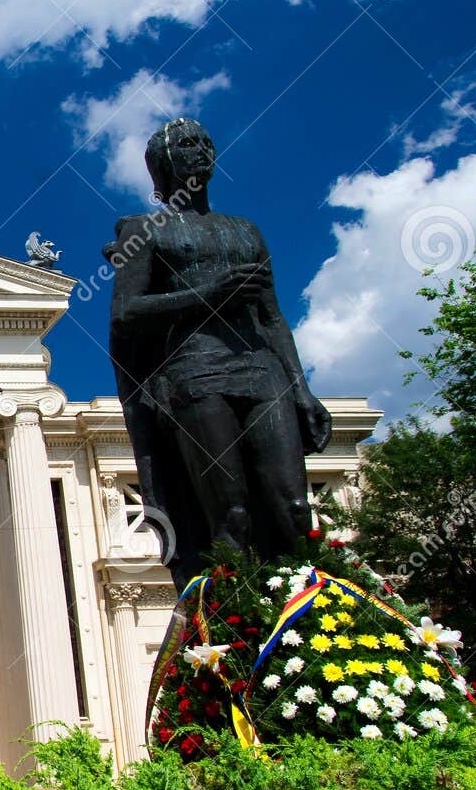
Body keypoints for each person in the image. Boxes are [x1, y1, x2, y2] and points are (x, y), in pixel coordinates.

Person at [106, 118, 332, 585]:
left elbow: (272, 318)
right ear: (163, 163)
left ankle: (311, 626)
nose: (201, 150)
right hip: (195, 375)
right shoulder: (143, 230)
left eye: (205, 142)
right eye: (187, 144)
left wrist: (302, 391)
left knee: (293, 508)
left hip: (262, 371)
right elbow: (125, 312)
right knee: (230, 514)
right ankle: (229, 637)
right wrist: (211, 294)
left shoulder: (245, 231)